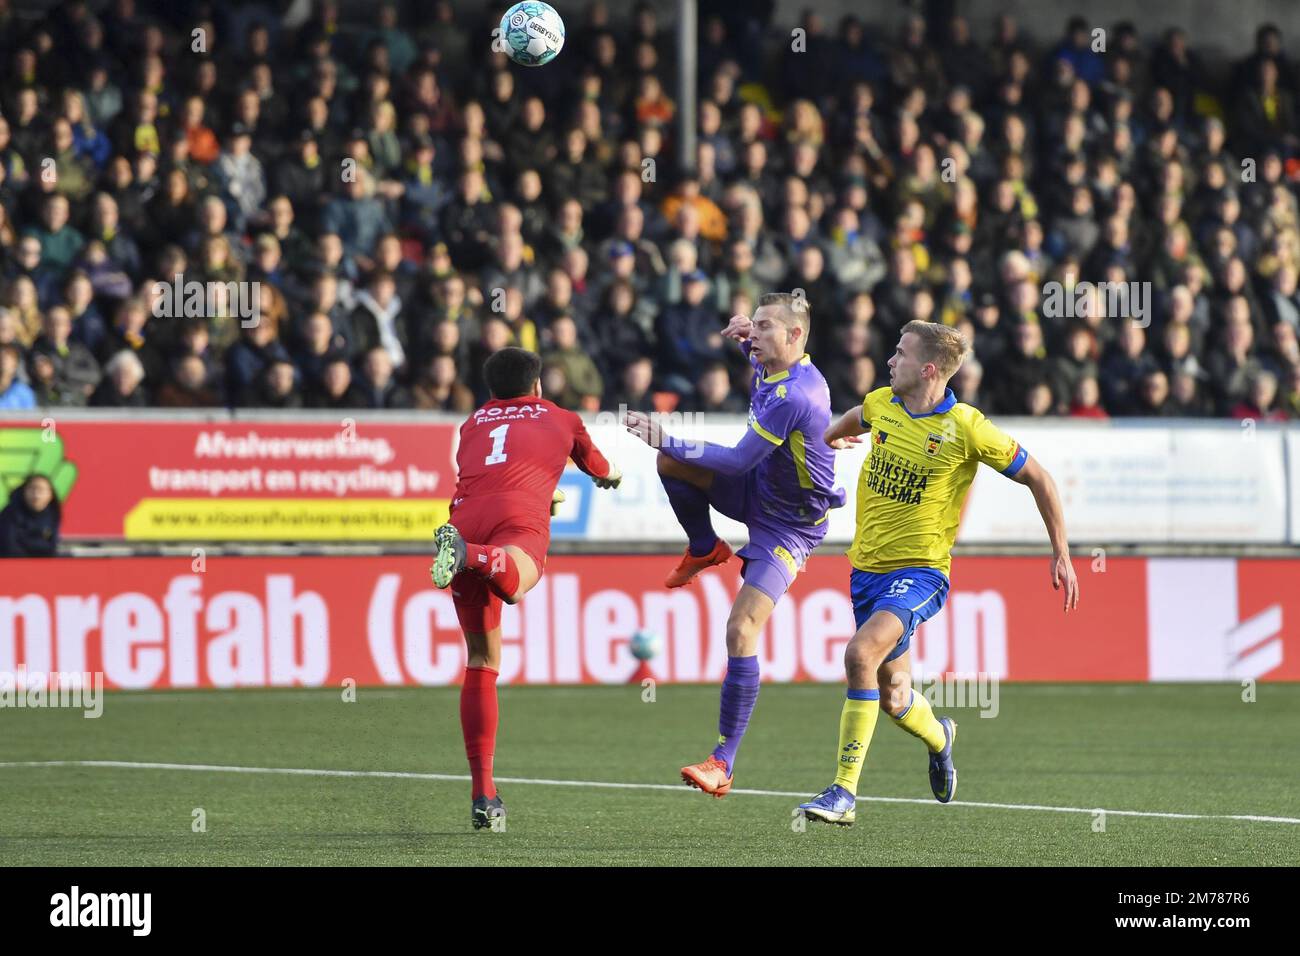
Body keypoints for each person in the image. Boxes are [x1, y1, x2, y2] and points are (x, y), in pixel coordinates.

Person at [796, 321, 1079, 825]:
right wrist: (831, 438)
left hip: (920, 572)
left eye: (899, 353)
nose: (889, 361)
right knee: (894, 697)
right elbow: (857, 417)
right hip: (865, 572)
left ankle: (842, 794)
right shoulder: (884, 402)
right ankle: (941, 736)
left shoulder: (967, 427)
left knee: (859, 654)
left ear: (928, 369)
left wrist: (1061, 550)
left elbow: (1038, 476)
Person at [623, 292, 847, 797]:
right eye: (757, 327)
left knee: (741, 629)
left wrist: (667, 435)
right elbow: (757, 348)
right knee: (671, 466)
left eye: (768, 329)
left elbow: (737, 460)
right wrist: (752, 330)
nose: (755, 338)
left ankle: (722, 761)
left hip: (789, 526)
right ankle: (704, 547)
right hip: (757, 492)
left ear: (794, 337)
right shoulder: (769, 358)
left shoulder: (796, 394)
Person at [428, 347, 622, 829]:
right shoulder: (562, 417)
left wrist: (545, 491)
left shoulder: (471, 424)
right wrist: (609, 476)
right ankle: (474, 557)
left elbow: (493, 470)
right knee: (518, 582)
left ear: (490, 391)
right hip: (513, 522)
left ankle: (484, 794)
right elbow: (601, 469)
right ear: (538, 386)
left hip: (465, 518)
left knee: (481, 661)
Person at [0, 474, 61, 557]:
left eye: (41, 490)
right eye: (32, 489)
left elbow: (51, 547)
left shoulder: (53, 513)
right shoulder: (10, 513)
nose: (36, 495)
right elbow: (9, 546)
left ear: (50, 494)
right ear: (24, 491)